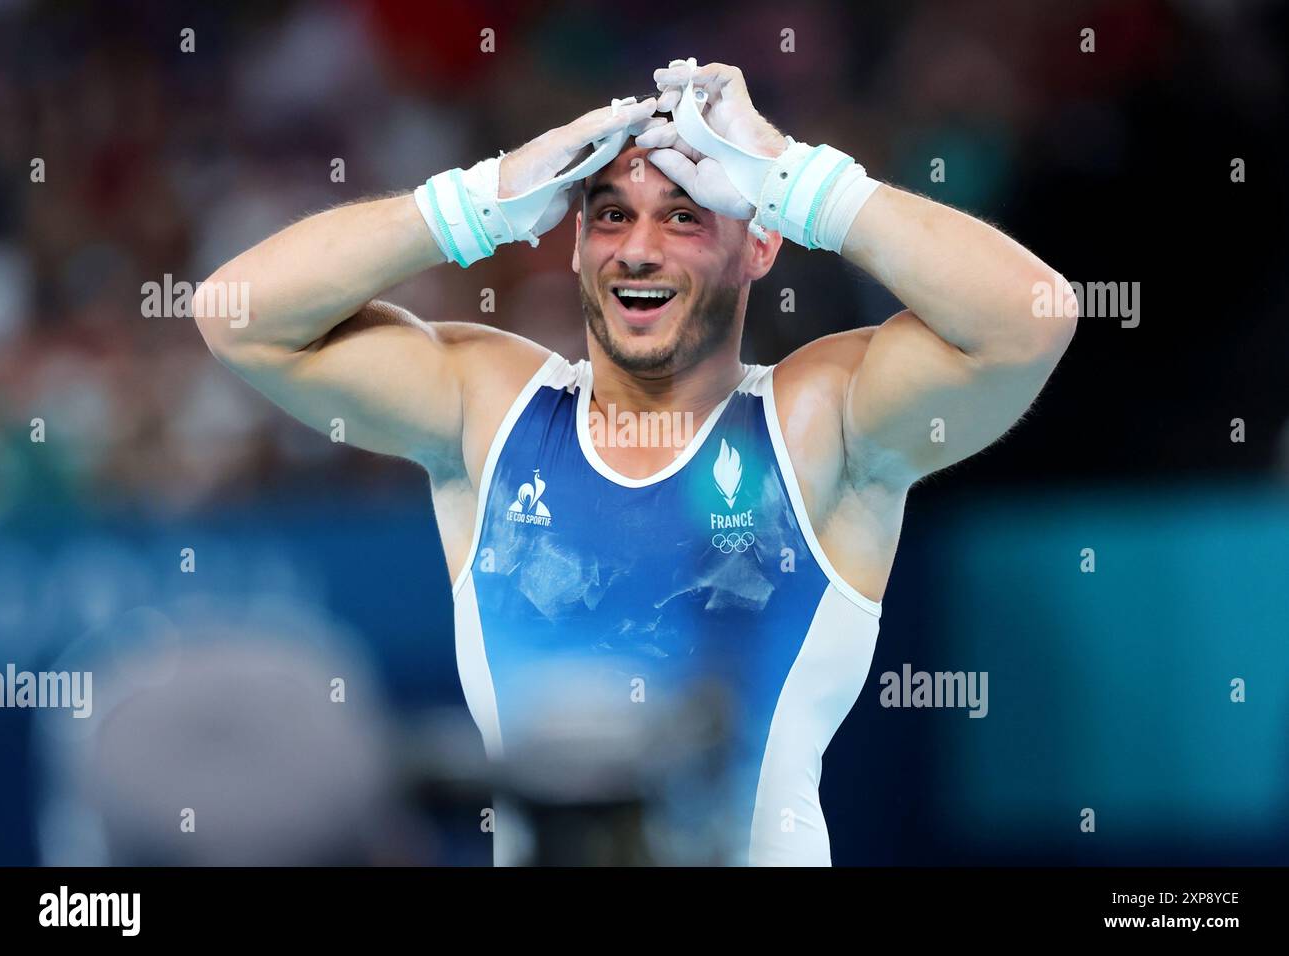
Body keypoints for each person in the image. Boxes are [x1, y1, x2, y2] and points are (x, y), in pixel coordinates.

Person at [193, 59, 1077, 865]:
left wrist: (796, 177)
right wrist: (478, 200)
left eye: (684, 218)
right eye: (610, 215)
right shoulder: (492, 412)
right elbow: (236, 315)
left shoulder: (820, 424)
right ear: (576, 244)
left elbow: (1029, 318)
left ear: (762, 244)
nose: (639, 249)